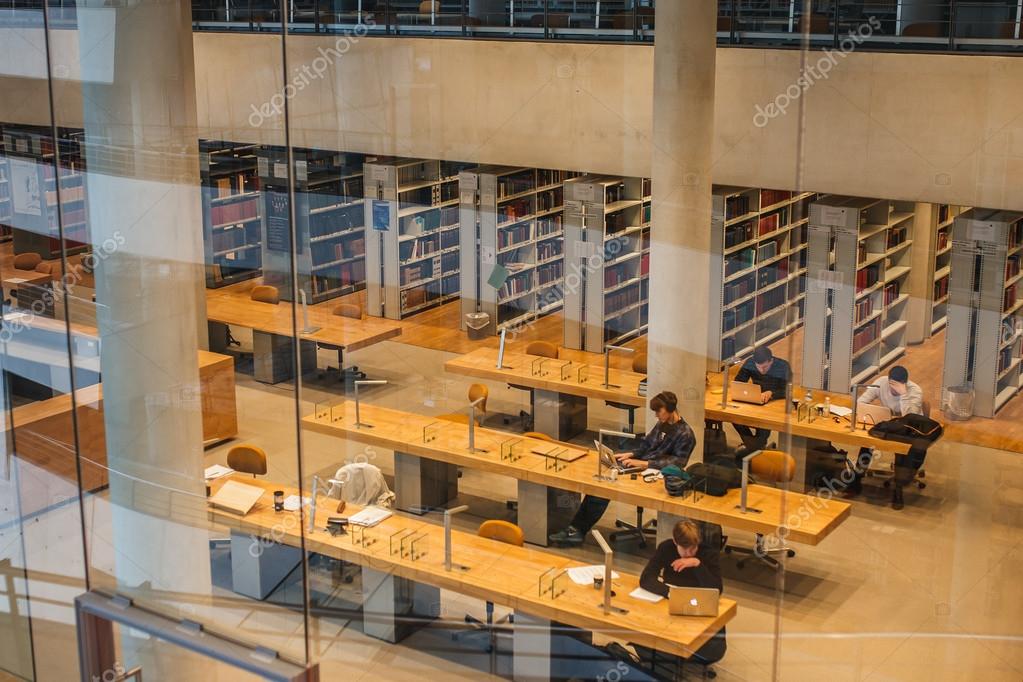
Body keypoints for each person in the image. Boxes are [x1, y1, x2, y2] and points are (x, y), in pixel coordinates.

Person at [548, 391, 695, 547]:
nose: (656, 415)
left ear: (670, 409)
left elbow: (677, 463)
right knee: (599, 485)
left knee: (603, 490)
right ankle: (575, 530)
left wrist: (642, 463)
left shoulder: (686, 434)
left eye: (659, 411)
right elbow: (646, 446)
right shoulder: (662, 424)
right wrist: (629, 454)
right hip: (640, 468)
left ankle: (576, 531)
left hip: (656, 477)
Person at [631, 520, 727, 676]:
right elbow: (647, 578)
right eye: (685, 549)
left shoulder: (707, 554)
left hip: (698, 609)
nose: (689, 553)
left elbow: (717, 589)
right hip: (671, 605)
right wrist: (670, 593)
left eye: (693, 548)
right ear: (675, 542)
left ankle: (669, 659)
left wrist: (697, 565)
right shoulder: (666, 548)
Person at [844, 365, 925, 510]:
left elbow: (910, 416)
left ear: (905, 383)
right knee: (868, 440)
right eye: (892, 384)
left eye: (898, 385)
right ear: (888, 380)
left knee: (901, 451)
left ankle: (898, 490)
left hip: (909, 430)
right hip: (889, 425)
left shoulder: (915, 391)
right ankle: (856, 480)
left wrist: (903, 394)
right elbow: (861, 402)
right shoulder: (881, 383)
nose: (894, 389)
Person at [732, 346, 792, 459]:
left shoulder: (783, 366)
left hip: (775, 402)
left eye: (765, 367)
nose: (761, 371)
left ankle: (752, 447)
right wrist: (748, 392)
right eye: (758, 367)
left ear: (771, 360)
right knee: (735, 417)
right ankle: (755, 447)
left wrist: (771, 393)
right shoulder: (750, 363)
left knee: (764, 422)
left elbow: (788, 390)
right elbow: (738, 382)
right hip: (756, 398)